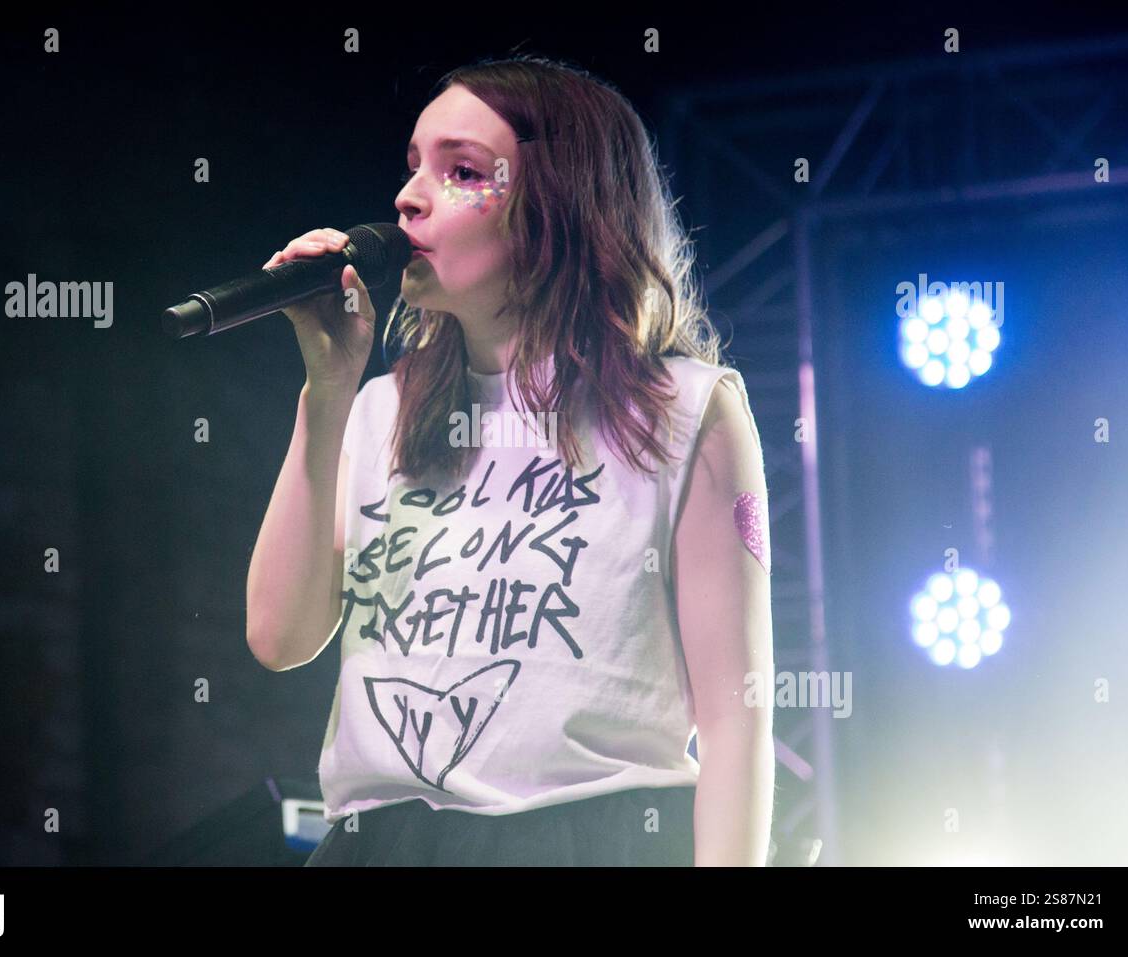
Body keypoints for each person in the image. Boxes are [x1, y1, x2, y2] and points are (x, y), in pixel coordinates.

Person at [246, 55, 775, 866]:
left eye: (459, 170)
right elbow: (279, 635)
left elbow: (738, 718)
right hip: (381, 842)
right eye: (412, 165)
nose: (408, 196)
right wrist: (326, 392)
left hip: (589, 834)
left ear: (558, 207)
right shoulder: (377, 411)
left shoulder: (685, 410)